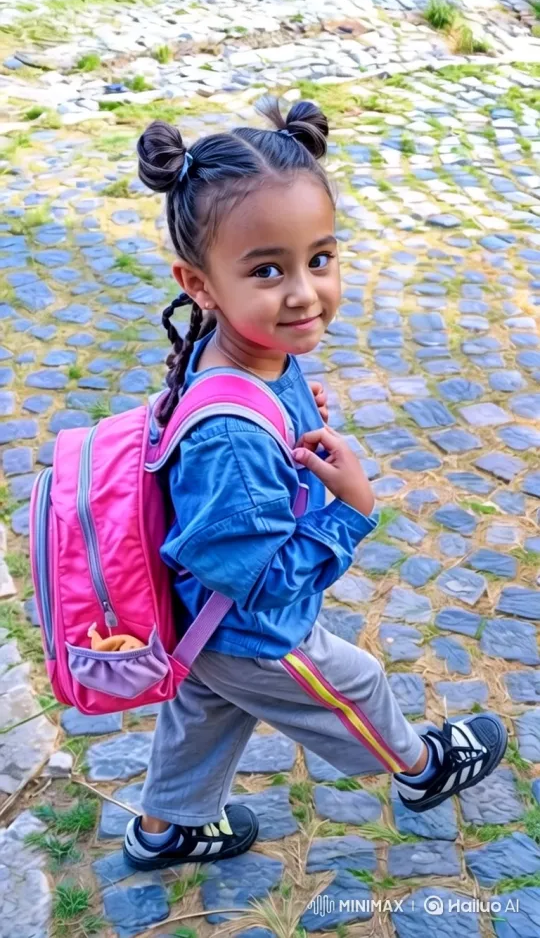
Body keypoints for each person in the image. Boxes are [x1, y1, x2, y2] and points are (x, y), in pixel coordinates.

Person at [123, 99, 507, 870]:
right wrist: (350, 511)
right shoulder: (231, 439)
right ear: (199, 285)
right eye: (268, 270)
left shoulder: (251, 354)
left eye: (320, 258)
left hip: (203, 625)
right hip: (253, 631)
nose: (303, 292)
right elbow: (260, 585)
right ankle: (419, 767)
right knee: (353, 683)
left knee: (204, 715)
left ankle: (164, 831)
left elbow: (249, 437)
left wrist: (292, 409)